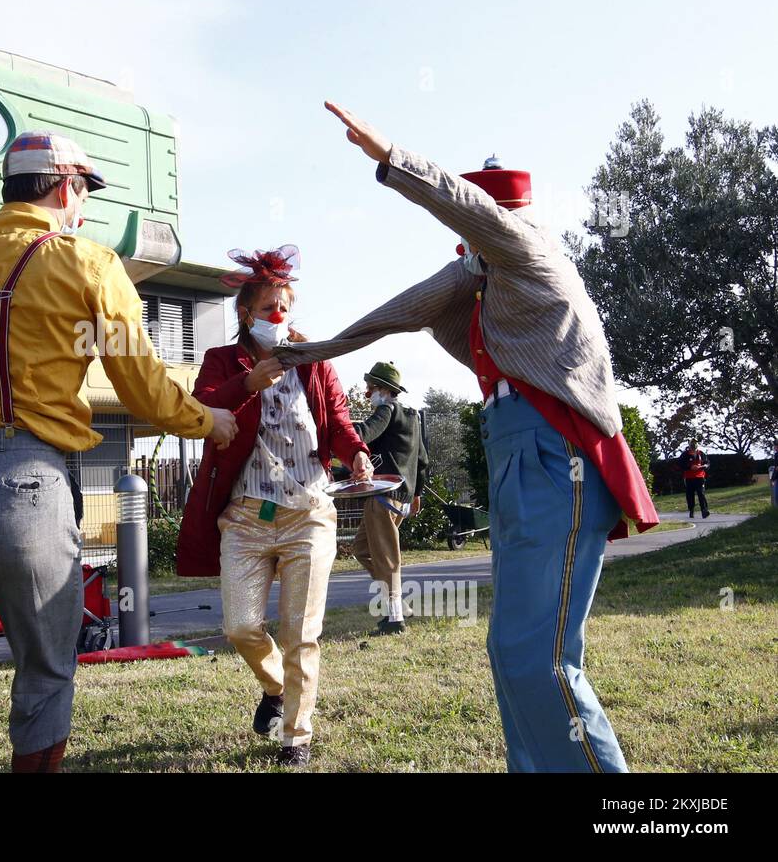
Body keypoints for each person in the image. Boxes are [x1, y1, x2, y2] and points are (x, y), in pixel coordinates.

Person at [275, 102, 659, 773]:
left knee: (539, 654)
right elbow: (402, 310)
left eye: (478, 229)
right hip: (515, 454)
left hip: (554, 456)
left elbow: (466, 209)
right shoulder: (482, 274)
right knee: (509, 650)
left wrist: (392, 157)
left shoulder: (526, 248)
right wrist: (311, 353)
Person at [0, 130, 238, 773]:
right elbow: (143, 391)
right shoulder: (90, 262)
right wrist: (209, 422)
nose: (84, 209)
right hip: (30, 489)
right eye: (85, 194)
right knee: (44, 671)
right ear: (66, 186)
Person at [176, 245, 372, 767]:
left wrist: (356, 455)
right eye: (268, 308)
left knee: (300, 632)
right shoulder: (223, 360)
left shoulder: (314, 361)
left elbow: (340, 420)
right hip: (245, 516)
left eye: (285, 306)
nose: (279, 316)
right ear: (245, 313)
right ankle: (273, 687)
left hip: (309, 510)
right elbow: (204, 407)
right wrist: (248, 382)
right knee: (239, 627)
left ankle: (296, 736)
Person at [351, 361, 429, 635]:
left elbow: (365, 432)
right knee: (363, 550)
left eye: (370, 387)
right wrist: (417, 494)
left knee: (386, 558)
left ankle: (394, 619)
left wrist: (339, 431)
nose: (366, 392)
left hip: (383, 495)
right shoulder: (413, 417)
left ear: (383, 389)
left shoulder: (387, 410)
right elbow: (421, 460)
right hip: (401, 497)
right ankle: (397, 601)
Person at [677, 440, 711, 518]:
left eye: (695, 443)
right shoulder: (685, 454)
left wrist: (704, 466)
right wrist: (690, 467)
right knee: (690, 495)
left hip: (700, 477)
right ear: (689, 445)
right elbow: (680, 464)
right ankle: (691, 510)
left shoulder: (701, 453)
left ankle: (704, 510)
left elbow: (707, 463)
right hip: (689, 478)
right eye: (692, 443)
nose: (694, 445)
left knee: (701, 493)